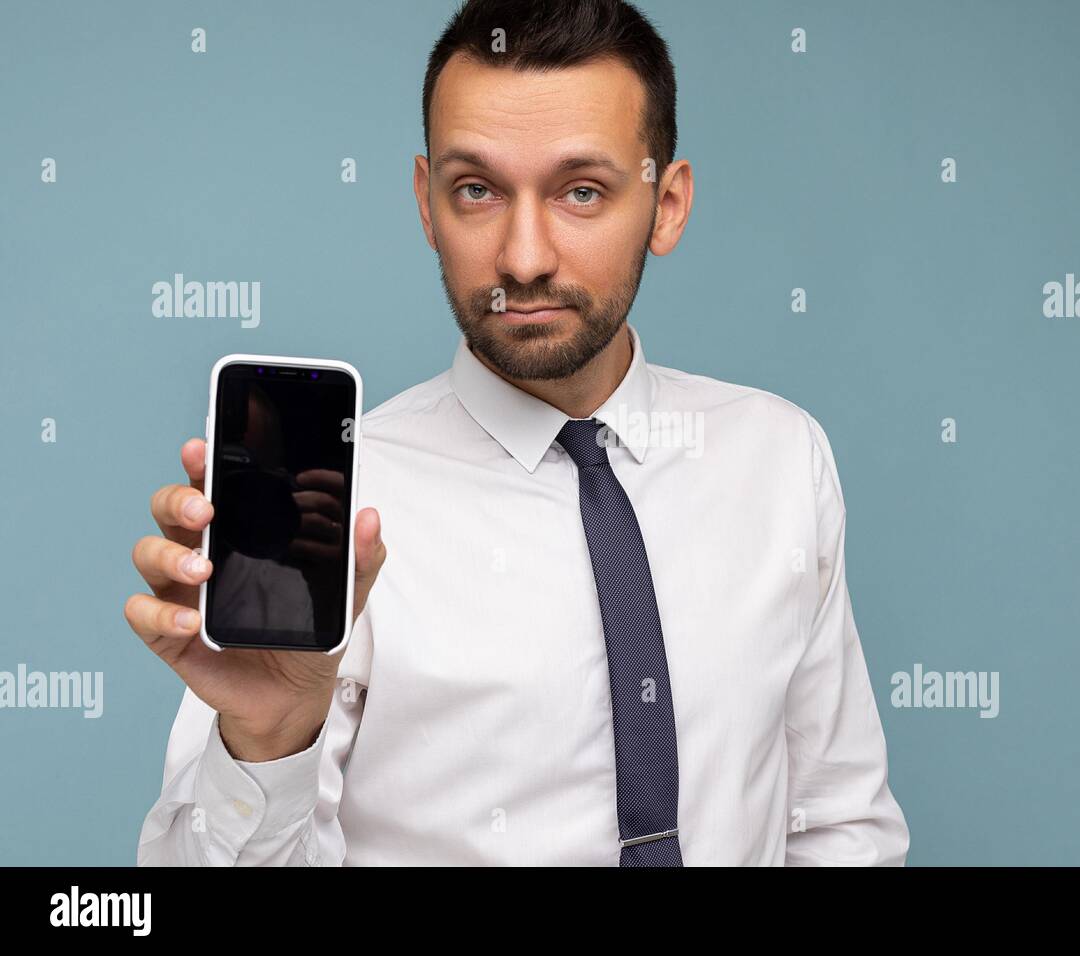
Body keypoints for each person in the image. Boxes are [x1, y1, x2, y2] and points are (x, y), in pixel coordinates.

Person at [125, 0, 908, 866]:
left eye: (581, 191)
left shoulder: (780, 461)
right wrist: (270, 739)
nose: (524, 258)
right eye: (477, 190)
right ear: (427, 204)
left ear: (668, 203)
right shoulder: (353, 514)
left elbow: (841, 825)